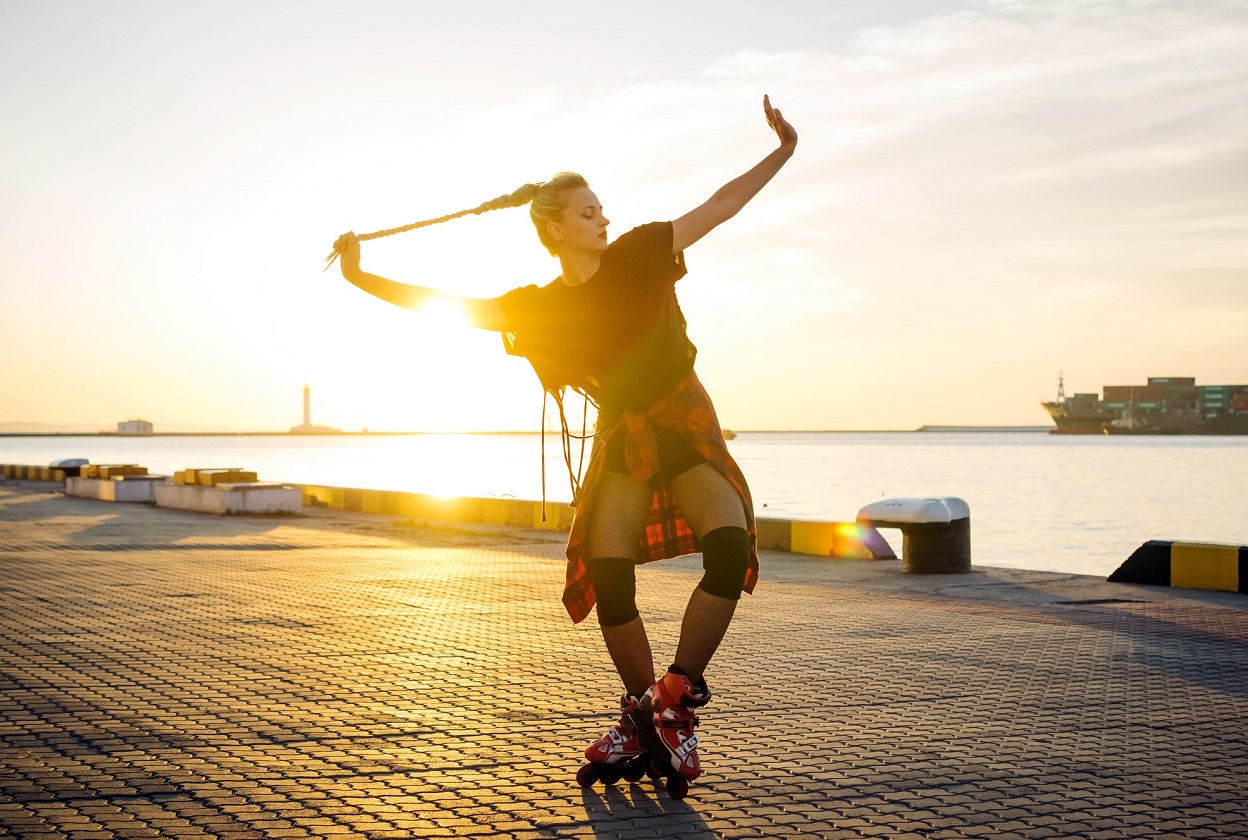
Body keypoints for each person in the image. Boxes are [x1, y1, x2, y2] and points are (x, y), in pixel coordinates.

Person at [332, 95, 797, 792]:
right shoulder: (544, 306)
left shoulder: (642, 251)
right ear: (553, 228)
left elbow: (721, 205)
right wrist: (361, 276)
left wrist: (783, 151)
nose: (603, 218)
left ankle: (672, 703)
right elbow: (450, 307)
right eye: (587, 212)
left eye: (602, 208)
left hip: (682, 423)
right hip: (624, 439)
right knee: (610, 575)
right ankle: (643, 717)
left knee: (730, 550)